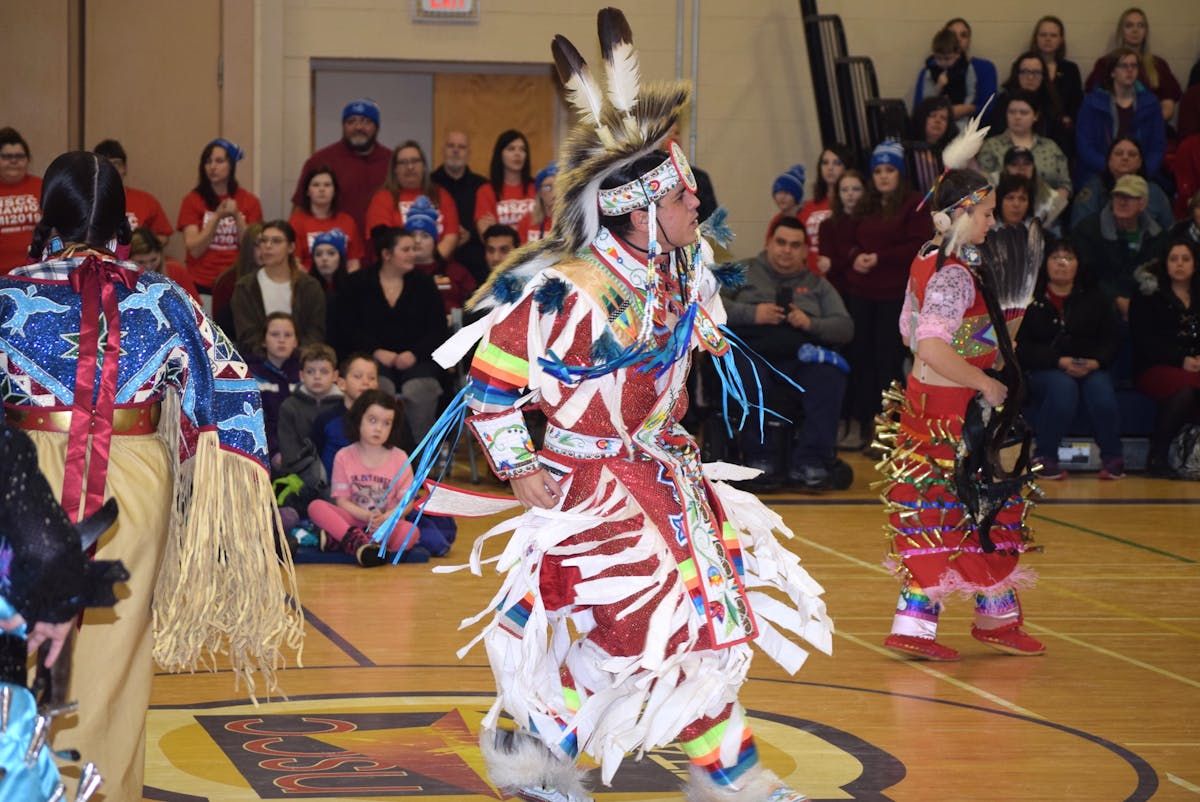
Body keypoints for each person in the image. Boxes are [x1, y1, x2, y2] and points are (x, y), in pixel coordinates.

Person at [385, 14, 832, 800]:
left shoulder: (674, 273)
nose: (699, 206)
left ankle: (686, 773)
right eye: (683, 196)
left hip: (662, 477)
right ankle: (559, 761)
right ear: (637, 209)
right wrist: (519, 467)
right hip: (591, 488)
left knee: (695, 629)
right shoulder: (570, 288)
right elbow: (489, 382)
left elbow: (697, 329)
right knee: (645, 633)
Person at [0, 150, 301, 799]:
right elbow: (228, 385)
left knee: (14, 636)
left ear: (50, 211)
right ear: (122, 221)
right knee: (116, 650)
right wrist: (216, 478)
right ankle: (101, 787)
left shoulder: (9, 293)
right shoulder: (165, 298)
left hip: (23, 479)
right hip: (135, 481)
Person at [878, 123, 1044, 662]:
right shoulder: (951, 271)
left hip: (935, 406)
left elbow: (907, 328)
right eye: (986, 213)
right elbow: (928, 345)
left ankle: (983, 618)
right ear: (959, 213)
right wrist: (984, 378)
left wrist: (981, 346)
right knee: (958, 507)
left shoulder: (931, 258)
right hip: (951, 411)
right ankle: (928, 625)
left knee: (975, 505)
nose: (994, 221)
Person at [721, 217, 853, 490]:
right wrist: (752, 313)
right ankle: (759, 459)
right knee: (748, 373)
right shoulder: (741, 271)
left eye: (795, 245)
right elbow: (707, 302)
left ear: (805, 251)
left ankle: (811, 462)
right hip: (751, 352)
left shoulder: (817, 286)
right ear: (769, 243)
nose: (786, 250)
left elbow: (845, 327)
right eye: (780, 242)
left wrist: (810, 323)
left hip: (801, 357)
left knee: (829, 375)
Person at [844, 140, 931, 450]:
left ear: (901, 174)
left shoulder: (914, 204)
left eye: (889, 170)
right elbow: (847, 238)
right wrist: (856, 255)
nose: (883, 176)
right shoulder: (866, 204)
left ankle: (889, 431)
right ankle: (861, 423)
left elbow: (918, 245)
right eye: (878, 170)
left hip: (894, 296)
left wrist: (878, 258)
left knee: (888, 363)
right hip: (862, 293)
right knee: (861, 359)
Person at [1017, 238, 1124, 479]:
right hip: (1045, 368)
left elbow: (1112, 338)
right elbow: (1021, 345)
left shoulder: (1095, 298)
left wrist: (1097, 362)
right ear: (1045, 263)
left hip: (1091, 365)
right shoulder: (1029, 299)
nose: (1062, 264)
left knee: (1101, 391)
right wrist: (1058, 361)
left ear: (1078, 265)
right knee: (1062, 388)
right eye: (1056, 258)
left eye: (1068, 258)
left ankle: (1113, 457)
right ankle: (1044, 457)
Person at [332, 227, 447, 444]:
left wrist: (413, 354)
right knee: (377, 385)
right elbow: (346, 328)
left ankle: (419, 453)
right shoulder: (357, 283)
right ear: (387, 254)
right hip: (371, 358)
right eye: (406, 249)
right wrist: (375, 351)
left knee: (420, 389)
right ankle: (377, 448)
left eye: (414, 249)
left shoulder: (424, 284)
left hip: (417, 359)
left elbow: (438, 330)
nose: (413, 253)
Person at [307, 390, 438, 566]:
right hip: (354, 518)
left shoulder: (400, 457)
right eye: (372, 420)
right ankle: (359, 542)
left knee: (410, 532)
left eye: (386, 423)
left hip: (386, 524)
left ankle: (341, 539)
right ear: (358, 419)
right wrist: (367, 516)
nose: (378, 428)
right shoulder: (344, 455)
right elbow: (342, 501)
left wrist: (386, 518)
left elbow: (407, 504)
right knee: (316, 507)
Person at [1129, 239, 1200, 476]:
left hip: (1194, 366)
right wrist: (1181, 359)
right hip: (1155, 366)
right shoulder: (1148, 295)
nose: (1179, 264)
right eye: (1174, 259)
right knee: (1187, 389)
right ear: (1164, 264)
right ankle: (1157, 455)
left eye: (1186, 259)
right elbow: (1144, 341)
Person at [291, 98, 390, 238]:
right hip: (332, 250)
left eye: (366, 121)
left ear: (377, 127)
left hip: (383, 251)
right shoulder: (320, 160)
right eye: (351, 121)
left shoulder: (392, 161)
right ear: (343, 126)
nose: (358, 127)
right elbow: (300, 208)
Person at [1073, 174, 1168, 320]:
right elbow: (1087, 273)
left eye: (1129, 197)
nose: (1122, 202)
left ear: (1142, 203)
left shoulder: (1157, 237)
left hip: (1143, 308)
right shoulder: (1088, 230)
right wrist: (1116, 299)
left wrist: (1136, 304)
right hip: (1097, 308)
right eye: (1118, 196)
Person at [177, 138, 263, 295]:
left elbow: (252, 249)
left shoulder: (250, 201)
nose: (212, 167)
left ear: (231, 165)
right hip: (201, 283)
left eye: (219, 161)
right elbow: (195, 249)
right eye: (208, 162)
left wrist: (236, 216)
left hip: (238, 281)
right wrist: (217, 217)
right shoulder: (192, 200)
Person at [230, 219, 326, 354]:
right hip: (259, 363)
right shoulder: (245, 287)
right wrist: (271, 359)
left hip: (300, 363)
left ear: (291, 247)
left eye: (276, 241)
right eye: (263, 241)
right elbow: (247, 335)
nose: (268, 246)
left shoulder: (310, 287)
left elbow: (315, 333)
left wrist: (293, 357)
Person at [1076, 49, 1167, 188]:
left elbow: (1157, 147)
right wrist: (1112, 169)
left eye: (1134, 66)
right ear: (1112, 72)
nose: (1130, 70)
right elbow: (1085, 146)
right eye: (1124, 66)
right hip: (1100, 174)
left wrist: (1140, 172)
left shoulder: (1151, 103)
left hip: (1141, 176)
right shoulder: (1092, 103)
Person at [977, 90, 1071, 211]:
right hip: (1000, 214)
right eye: (1012, 112)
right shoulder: (991, 145)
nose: (1017, 117)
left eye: (1024, 112)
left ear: (1035, 116)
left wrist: (1052, 209)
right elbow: (982, 185)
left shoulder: (1050, 147)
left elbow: (1065, 184)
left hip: (1047, 215)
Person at [365, 141, 460, 260]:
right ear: (395, 169)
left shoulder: (442, 195)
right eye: (403, 162)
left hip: (435, 266)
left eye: (415, 161)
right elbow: (382, 240)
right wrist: (408, 265)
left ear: (424, 166)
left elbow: (451, 236)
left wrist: (431, 263)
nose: (410, 167)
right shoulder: (382, 198)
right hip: (397, 269)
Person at [1084, 8, 1181, 123]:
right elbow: (1094, 101)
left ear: (1145, 32)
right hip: (1113, 130)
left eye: (1140, 25)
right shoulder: (1105, 63)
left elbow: (1168, 106)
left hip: (1150, 128)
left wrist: (1147, 125)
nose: (1135, 30)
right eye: (1129, 25)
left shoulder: (1159, 65)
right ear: (1121, 31)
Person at [277, 342, 343, 501]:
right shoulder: (289, 406)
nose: (317, 376)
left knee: (333, 498)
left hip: (339, 477)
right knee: (291, 499)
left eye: (324, 371)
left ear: (335, 376)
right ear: (301, 375)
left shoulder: (343, 406)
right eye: (310, 371)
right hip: (300, 476)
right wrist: (311, 473)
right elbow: (289, 450)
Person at [1069, 137, 1175, 232]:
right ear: (1109, 161)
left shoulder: (1154, 192)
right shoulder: (1093, 190)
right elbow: (1079, 230)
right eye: (1119, 153)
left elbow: (1170, 231)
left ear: (1140, 162)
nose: (1125, 158)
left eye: (1132, 154)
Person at [431, 130, 489, 282]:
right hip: (437, 257)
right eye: (451, 146)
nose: (456, 150)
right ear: (443, 151)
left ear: (468, 153)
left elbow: (489, 223)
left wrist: (470, 233)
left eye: (461, 147)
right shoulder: (429, 185)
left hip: (473, 259)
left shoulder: (482, 186)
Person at [246, 311, 301, 467]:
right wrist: (274, 451)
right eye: (275, 334)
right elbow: (255, 421)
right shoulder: (250, 375)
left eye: (288, 335)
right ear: (264, 341)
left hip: (304, 450)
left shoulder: (307, 373)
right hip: (262, 452)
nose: (282, 340)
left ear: (296, 341)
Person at [313, 353, 381, 478]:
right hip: (332, 491)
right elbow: (314, 460)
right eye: (358, 376)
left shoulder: (388, 419)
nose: (366, 382)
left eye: (372, 378)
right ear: (341, 383)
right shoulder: (326, 420)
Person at [406, 195, 477, 315]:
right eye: (412, 235)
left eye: (425, 236)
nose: (417, 240)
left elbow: (475, 306)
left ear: (435, 241)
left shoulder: (456, 271)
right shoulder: (398, 274)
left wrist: (458, 317)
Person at [93, 139, 173, 244]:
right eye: (105, 164)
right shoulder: (86, 201)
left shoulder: (146, 201)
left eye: (116, 164)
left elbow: (163, 236)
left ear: (125, 168)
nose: (112, 169)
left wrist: (139, 246)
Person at [991, 53, 1071, 156]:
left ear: (1043, 76)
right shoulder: (1004, 101)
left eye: (1036, 72)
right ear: (1017, 74)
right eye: (1025, 72)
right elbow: (996, 134)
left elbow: (1061, 145)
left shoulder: (1052, 102)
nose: (1030, 77)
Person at [289, 165, 363, 272]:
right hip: (308, 283)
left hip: (342, 283)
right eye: (316, 185)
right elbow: (295, 262)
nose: (322, 189)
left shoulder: (348, 221)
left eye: (327, 185)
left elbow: (354, 262)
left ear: (334, 191)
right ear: (307, 191)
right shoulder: (296, 221)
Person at [474, 130, 537, 239]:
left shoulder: (537, 189)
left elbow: (545, 230)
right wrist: (524, 232)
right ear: (500, 154)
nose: (518, 154)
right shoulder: (486, 191)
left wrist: (499, 226)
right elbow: (487, 236)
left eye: (522, 149)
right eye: (511, 149)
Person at [1029, 16, 1084, 143]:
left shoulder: (1070, 69)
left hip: (1063, 135)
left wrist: (1069, 119)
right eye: (1043, 35)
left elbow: (1077, 102)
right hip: (1032, 130)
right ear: (1036, 39)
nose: (1048, 39)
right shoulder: (1025, 66)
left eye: (1053, 35)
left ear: (1061, 40)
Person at [798, 147, 850, 274]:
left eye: (837, 163)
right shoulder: (808, 207)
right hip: (810, 276)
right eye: (825, 162)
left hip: (841, 275)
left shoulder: (851, 203)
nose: (830, 168)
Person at [818, 169, 867, 295]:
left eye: (855, 189)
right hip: (840, 290)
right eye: (844, 190)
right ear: (838, 194)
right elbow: (827, 265)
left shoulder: (872, 222)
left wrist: (836, 263)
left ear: (865, 192)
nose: (850, 194)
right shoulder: (827, 226)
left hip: (868, 288)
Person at [0, 128, 40, 273]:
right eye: (6, 156)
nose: (14, 161)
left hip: (34, 271)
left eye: (20, 156)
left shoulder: (41, 186)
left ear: (28, 159)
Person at [128, 225, 199, 300]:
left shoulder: (176, 271)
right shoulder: (120, 278)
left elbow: (196, 306)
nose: (148, 266)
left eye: (153, 260)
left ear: (160, 254)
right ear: (128, 260)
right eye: (141, 262)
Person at [519, 162, 558, 244]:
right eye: (548, 187)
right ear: (539, 192)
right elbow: (519, 253)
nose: (555, 192)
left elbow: (587, 255)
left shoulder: (576, 222)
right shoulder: (527, 221)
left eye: (559, 186)